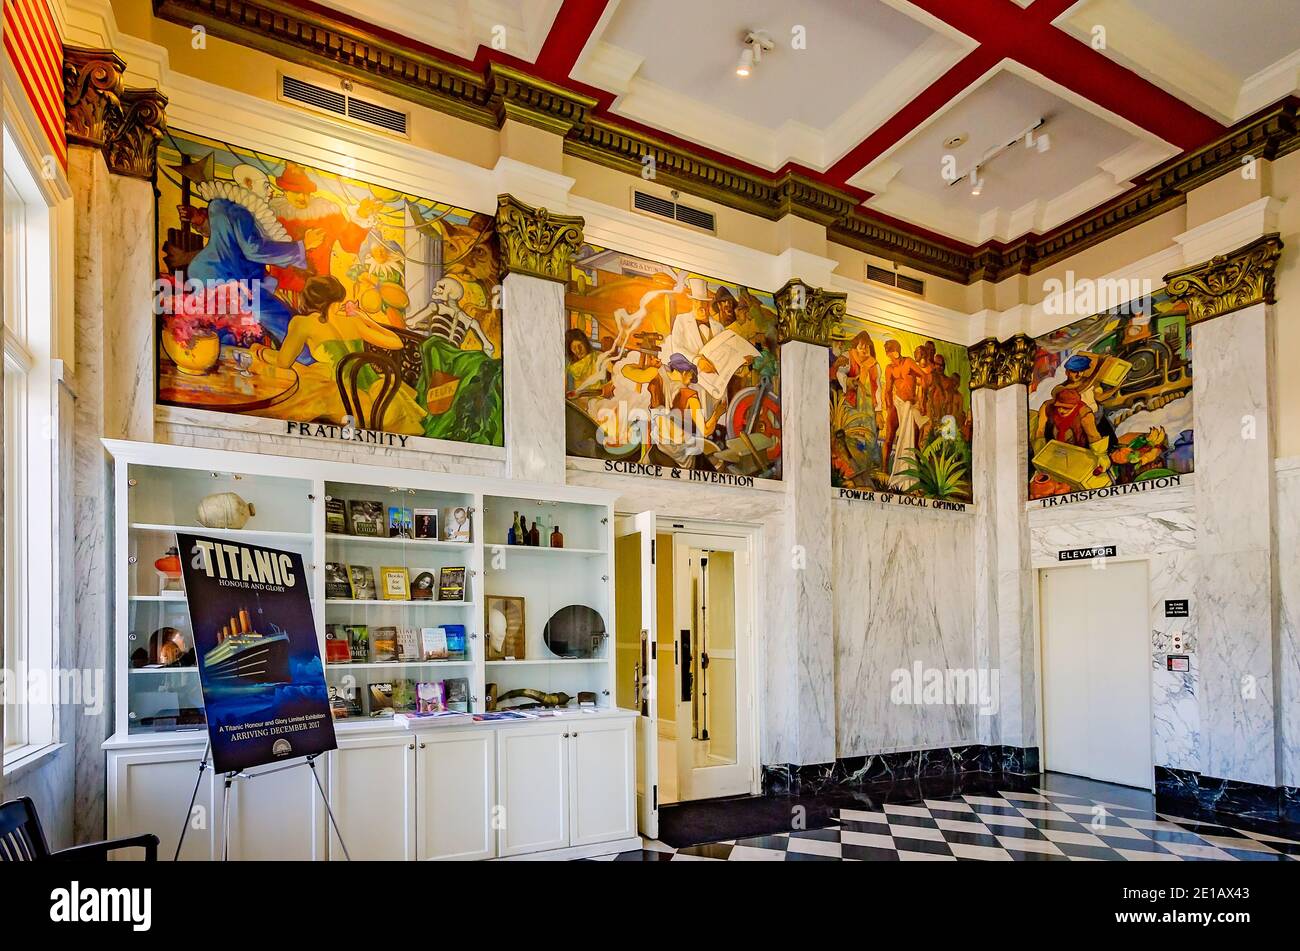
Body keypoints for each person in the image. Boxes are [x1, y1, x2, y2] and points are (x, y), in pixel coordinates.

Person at [184, 164, 322, 355]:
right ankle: (311, 360)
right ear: (248, 184)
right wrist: (301, 247)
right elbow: (253, 249)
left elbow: (225, 235)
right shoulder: (241, 211)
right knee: (285, 322)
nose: (271, 191)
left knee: (225, 330)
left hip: (210, 275)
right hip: (232, 280)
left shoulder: (221, 205)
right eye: (265, 185)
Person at [268, 161, 383, 309]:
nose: (302, 197)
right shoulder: (273, 214)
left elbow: (349, 244)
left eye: (306, 192)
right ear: (285, 191)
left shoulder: (327, 212)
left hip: (321, 294)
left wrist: (361, 215)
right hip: (283, 291)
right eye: (296, 192)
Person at [882, 339, 930, 491]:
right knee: (889, 436)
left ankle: (913, 471)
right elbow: (888, 390)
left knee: (913, 438)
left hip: (910, 405)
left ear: (896, 352)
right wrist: (889, 406)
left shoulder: (908, 362)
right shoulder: (889, 368)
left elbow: (923, 376)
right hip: (897, 403)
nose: (889, 356)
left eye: (890, 353)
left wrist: (922, 400)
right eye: (887, 354)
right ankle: (884, 469)